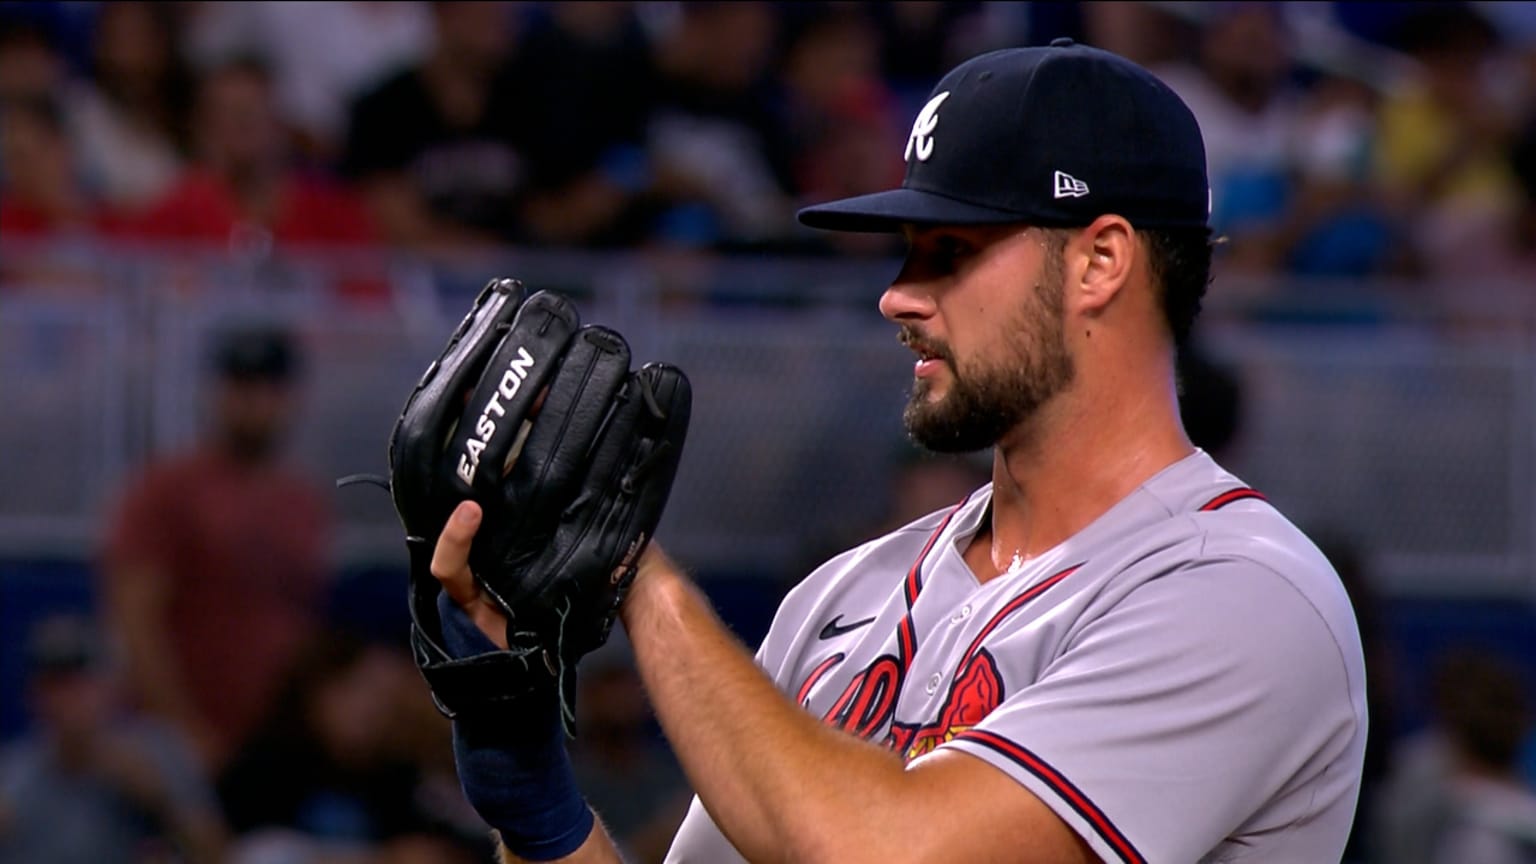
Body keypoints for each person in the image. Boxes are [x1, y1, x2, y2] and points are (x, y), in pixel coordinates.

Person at [428, 40, 1368, 863]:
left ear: (1100, 262)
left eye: (949, 250)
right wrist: (541, 817)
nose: (898, 296)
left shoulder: (1243, 596)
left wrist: (638, 574)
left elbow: (892, 851)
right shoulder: (845, 594)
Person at [100, 322, 334, 776]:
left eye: (267, 387)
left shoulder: (305, 503)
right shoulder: (167, 489)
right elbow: (134, 621)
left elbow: (303, 629)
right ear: (216, 392)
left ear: (290, 398)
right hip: (181, 746)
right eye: (239, 385)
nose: (252, 402)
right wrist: (183, 729)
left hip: (277, 747)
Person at [0, 613, 228, 864]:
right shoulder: (14, 768)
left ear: (111, 686)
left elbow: (217, 854)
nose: (68, 701)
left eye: (80, 684)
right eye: (55, 686)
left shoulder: (156, 749)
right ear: (34, 696)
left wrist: (159, 800)